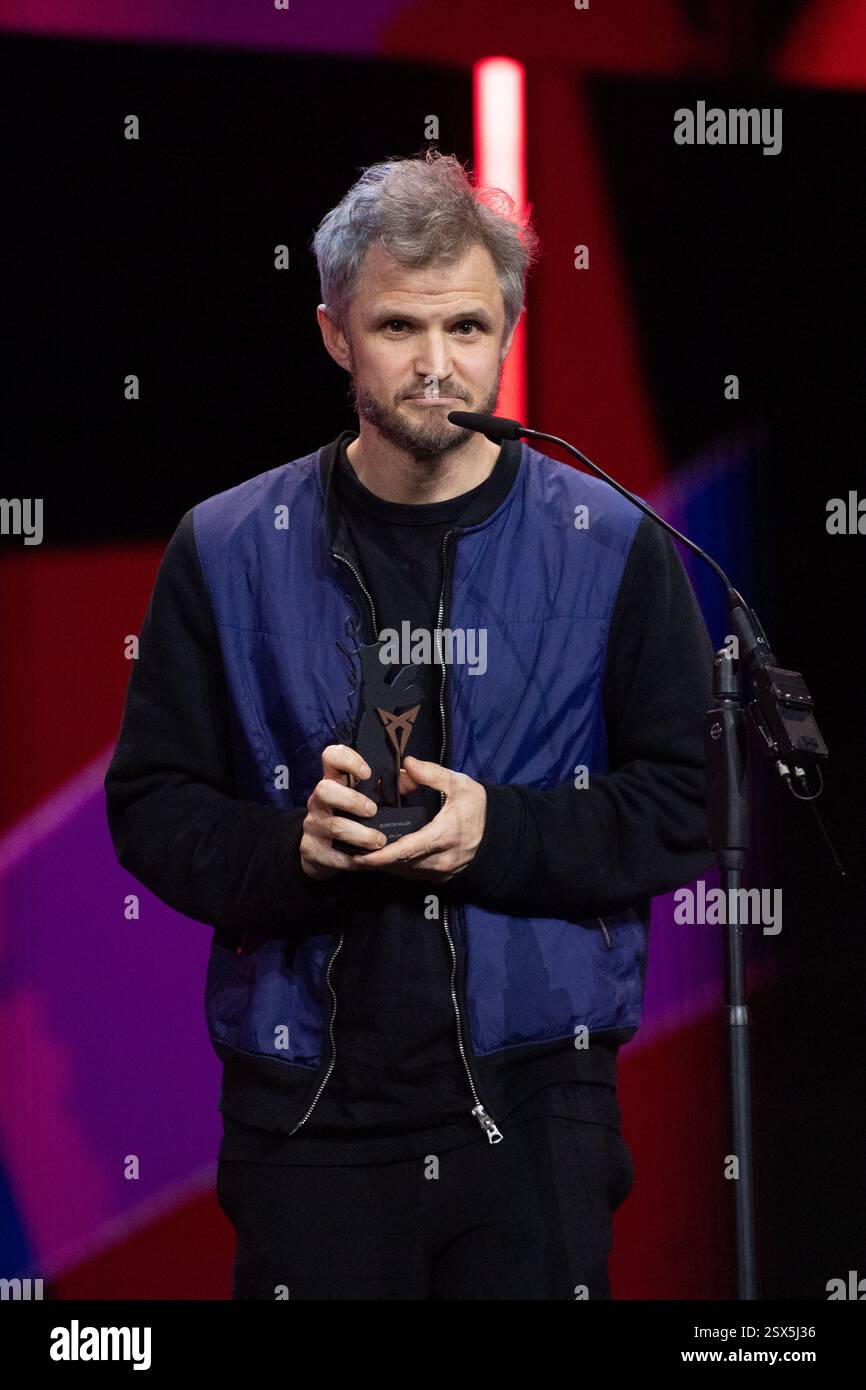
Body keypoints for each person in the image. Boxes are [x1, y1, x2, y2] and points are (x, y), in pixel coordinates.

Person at [104, 148, 715, 1300]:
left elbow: (687, 806)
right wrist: (288, 852)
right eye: (397, 329)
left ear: (505, 331)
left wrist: (504, 833)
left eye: (469, 330)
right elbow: (152, 808)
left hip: (539, 1104)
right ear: (335, 334)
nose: (438, 367)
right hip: (308, 1114)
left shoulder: (612, 541)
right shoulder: (226, 547)